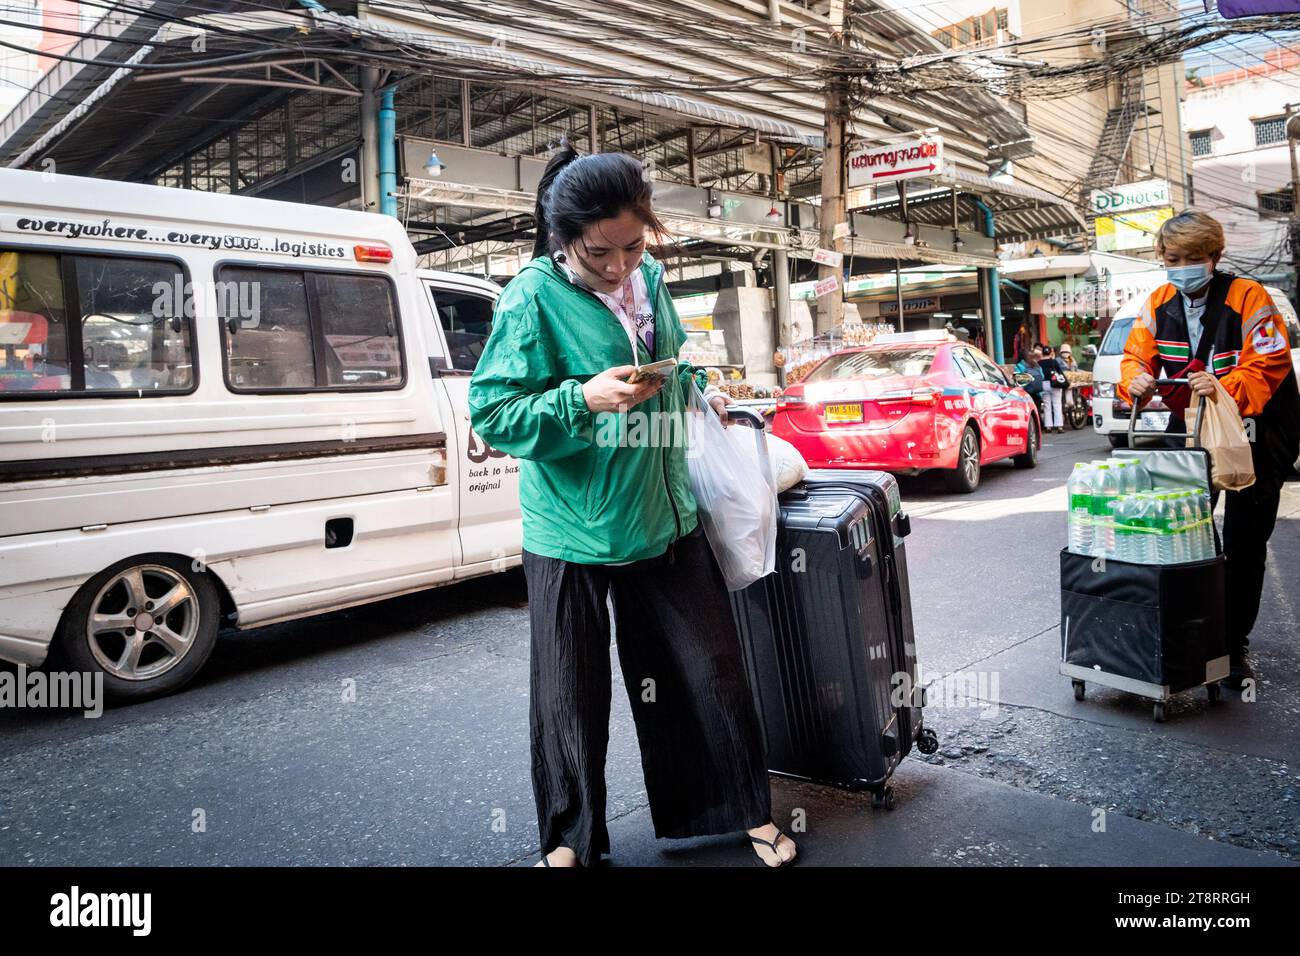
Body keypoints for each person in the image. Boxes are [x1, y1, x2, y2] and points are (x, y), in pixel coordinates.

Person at [468, 144, 798, 868]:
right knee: (569, 695)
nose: (618, 267)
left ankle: (741, 811)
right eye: (599, 254)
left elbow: (675, 357)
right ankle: (569, 836)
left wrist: (700, 390)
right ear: (564, 241)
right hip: (570, 529)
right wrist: (581, 397)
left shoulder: (649, 278)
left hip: (666, 515)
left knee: (710, 671)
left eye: (632, 246)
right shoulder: (529, 297)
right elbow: (493, 413)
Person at [1118, 210, 1300, 689]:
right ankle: (1195, 630)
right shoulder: (1158, 302)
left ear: (1213, 258)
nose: (1179, 266)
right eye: (1171, 258)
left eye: (1191, 259)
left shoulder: (1249, 297)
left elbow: (1269, 363)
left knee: (1245, 542)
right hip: (1194, 433)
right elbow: (1137, 355)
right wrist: (1133, 381)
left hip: (1259, 435)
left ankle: (1233, 643)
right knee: (1189, 531)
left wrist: (1220, 387)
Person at [1039, 345, 1067, 434]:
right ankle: (1059, 426)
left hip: (1044, 384)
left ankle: (1048, 427)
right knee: (1057, 404)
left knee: (1047, 406)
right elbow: (1060, 373)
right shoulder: (1054, 362)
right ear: (1051, 352)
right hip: (1054, 384)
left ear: (1042, 353)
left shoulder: (1039, 363)